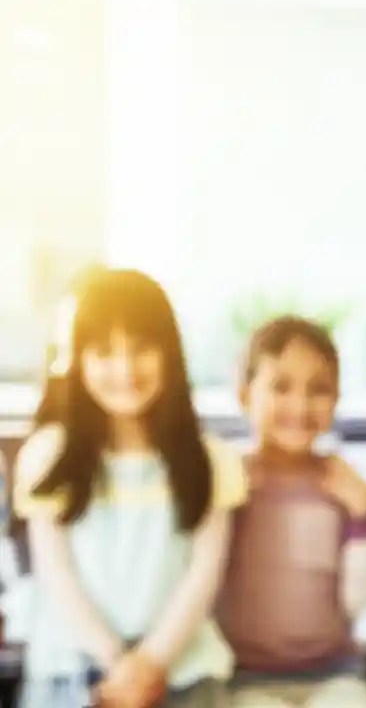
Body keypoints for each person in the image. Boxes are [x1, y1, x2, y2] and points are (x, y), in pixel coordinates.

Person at [10, 268, 245, 707]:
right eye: (103, 352)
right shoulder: (48, 456)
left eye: (141, 349)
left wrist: (151, 662)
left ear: (170, 353)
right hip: (74, 671)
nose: (124, 369)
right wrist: (117, 663)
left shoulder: (210, 459)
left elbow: (204, 573)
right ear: (78, 360)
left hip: (183, 671)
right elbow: (56, 573)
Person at [215, 316, 366, 707]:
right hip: (242, 680)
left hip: (334, 674)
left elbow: (356, 602)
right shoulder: (229, 482)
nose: (300, 405)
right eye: (281, 387)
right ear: (244, 396)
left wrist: (364, 515)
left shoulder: (346, 488)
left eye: (319, 390)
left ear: (337, 399)